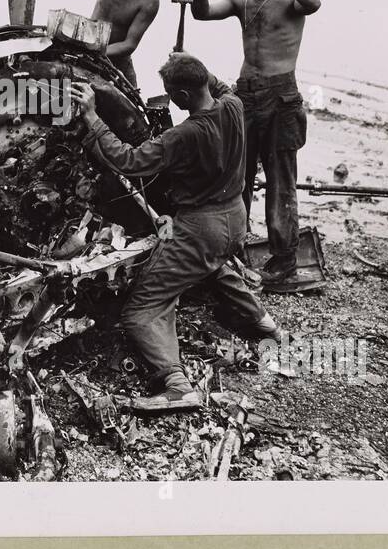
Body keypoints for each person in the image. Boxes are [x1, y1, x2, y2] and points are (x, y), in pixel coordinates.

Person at [67, 53, 286, 412]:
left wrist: (92, 116)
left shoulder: (184, 135)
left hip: (201, 228)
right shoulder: (232, 104)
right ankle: (266, 326)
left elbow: (129, 160)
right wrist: (183, 63)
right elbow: (209, 79)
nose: (169, 98)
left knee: (142, 309)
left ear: (182, 97)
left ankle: (176, 384)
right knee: (212, 266)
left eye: (171, 93)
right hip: (236, 218)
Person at [190, 0, 322, 293]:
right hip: (245, 97)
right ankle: (234, 249)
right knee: (236, 177)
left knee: (281, 182)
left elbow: (314, 2)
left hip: (281, 98)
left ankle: (283, 262)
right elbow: (201, 13)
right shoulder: (241, 2)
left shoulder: (288, 0)